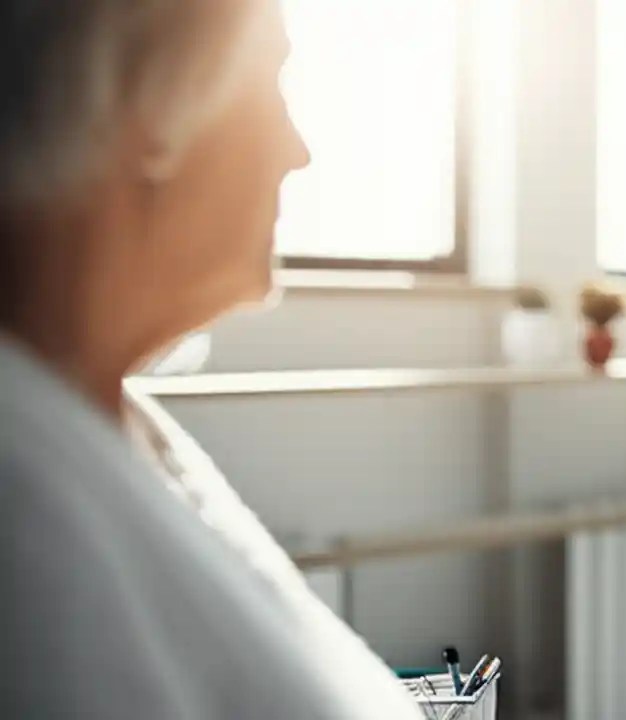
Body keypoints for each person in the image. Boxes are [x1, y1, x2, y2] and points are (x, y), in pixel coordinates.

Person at [0, 1, 422, 716]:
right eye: (275, 79)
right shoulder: (22, 524)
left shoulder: (115, 415)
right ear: (155, 103)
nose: (299, 151)